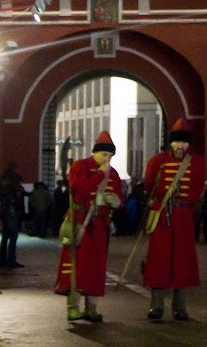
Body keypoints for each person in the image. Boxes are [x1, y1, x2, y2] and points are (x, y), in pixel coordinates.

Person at [54, 132, 124, 323]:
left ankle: (91, 308)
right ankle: (73, 307)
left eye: (110, 156)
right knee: (76, 265)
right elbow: (79, 189)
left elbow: (119, 196)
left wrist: (116, 202)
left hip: (100, 225)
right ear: (95, 153)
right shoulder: (80, 167)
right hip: (80, 222)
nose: (107, 159)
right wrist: (100, 174)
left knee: (95, 267)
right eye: (104, 155)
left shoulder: (114, 174)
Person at [142, 118, 207, 322]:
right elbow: (149, 185)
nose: (181, 146)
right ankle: (156, 306)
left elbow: (196, 190)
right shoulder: (157, 161)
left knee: (182, 261)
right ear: (171, 142)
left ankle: (180, 307)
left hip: (183, 216)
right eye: (178, 142)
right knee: (159, 260)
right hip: (162, 214)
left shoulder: (197, 162)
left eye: (184, 142)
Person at [0, 161, 26, 269]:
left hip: (4, 210)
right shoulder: (14, 181)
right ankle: (11, 260)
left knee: (5, 236)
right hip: (11, 210)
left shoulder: (3, 180)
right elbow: (17, 195)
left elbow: (1, 196)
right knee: (13, 236)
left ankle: (2, 260)